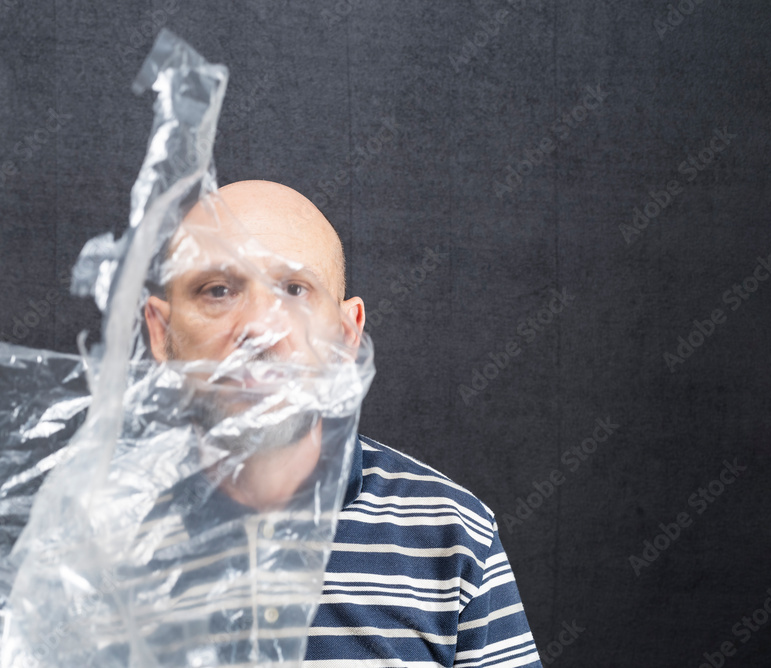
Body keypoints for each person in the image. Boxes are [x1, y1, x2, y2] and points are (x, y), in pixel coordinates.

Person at [140, 179, 543, 667]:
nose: (260, 328)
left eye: (294, 289)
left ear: (348, 333)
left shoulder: (451, 534)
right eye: (218, 290)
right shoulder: (87, 534)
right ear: (161, 333)